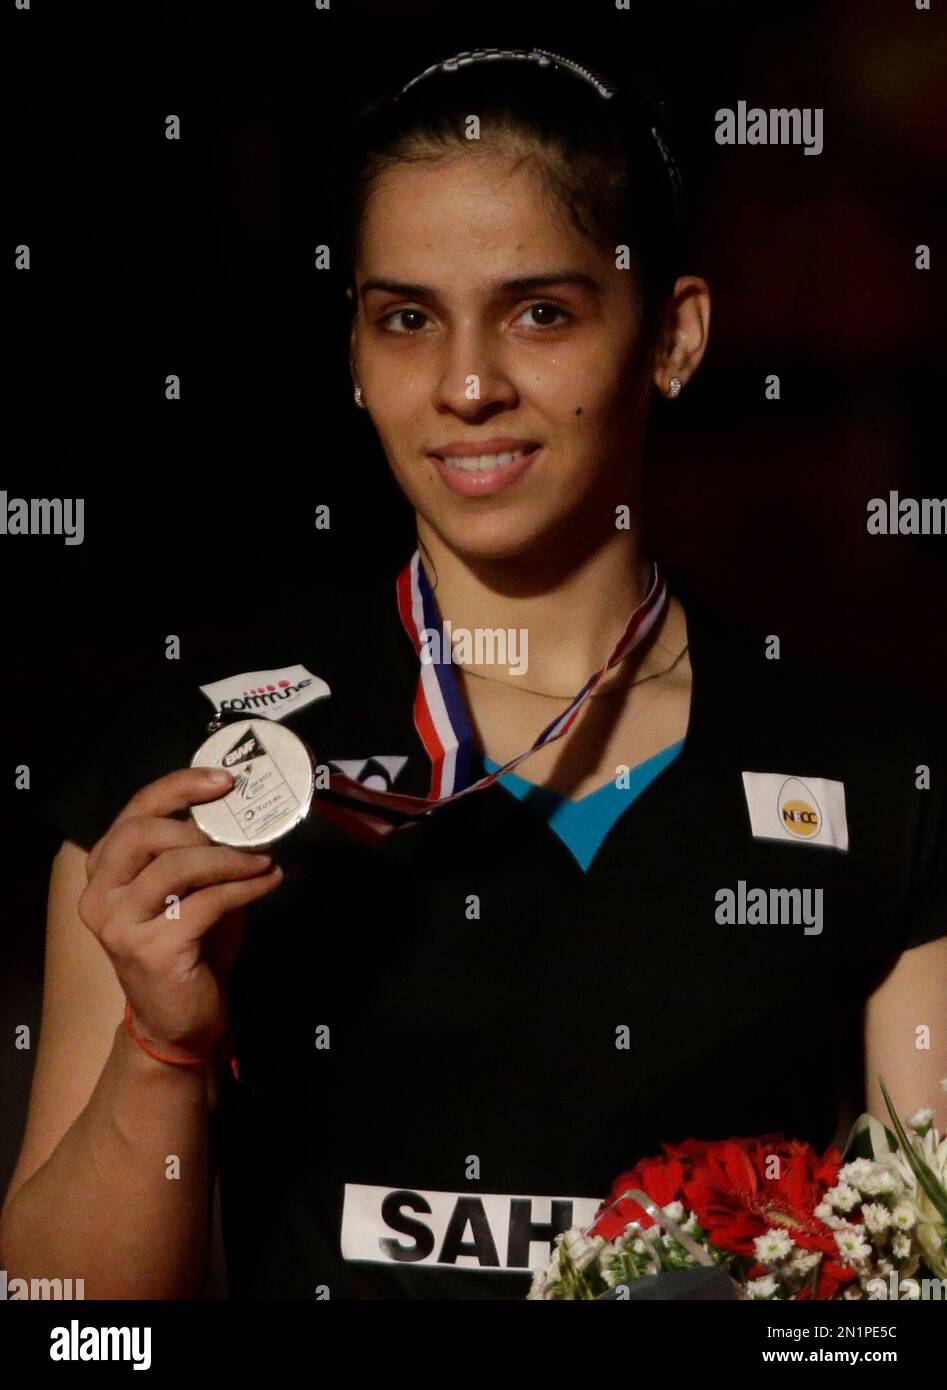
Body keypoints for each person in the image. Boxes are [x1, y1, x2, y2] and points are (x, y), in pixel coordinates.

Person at [2, 47, 945, 1302]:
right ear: (352, 350)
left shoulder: (879, 782)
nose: (465, 384)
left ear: (671, 336)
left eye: (539, 312)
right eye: (407, 318)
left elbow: (915, 1282)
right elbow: (79, 1339)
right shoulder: (201, 770)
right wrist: (161, 1055)